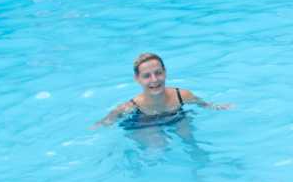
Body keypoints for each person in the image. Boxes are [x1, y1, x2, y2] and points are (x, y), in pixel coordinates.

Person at [96, 52, 227, 127]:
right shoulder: (131, 107)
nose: (154, 79)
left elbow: (204, 104)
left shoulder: (182, 95)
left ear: (165, 72)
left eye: (158, 73)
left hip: (175, 116)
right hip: (144, 121)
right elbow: (108, 120)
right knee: (155, 147)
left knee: (189, 137)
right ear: (137, 79)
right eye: (147, 76)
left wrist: (217, 107)